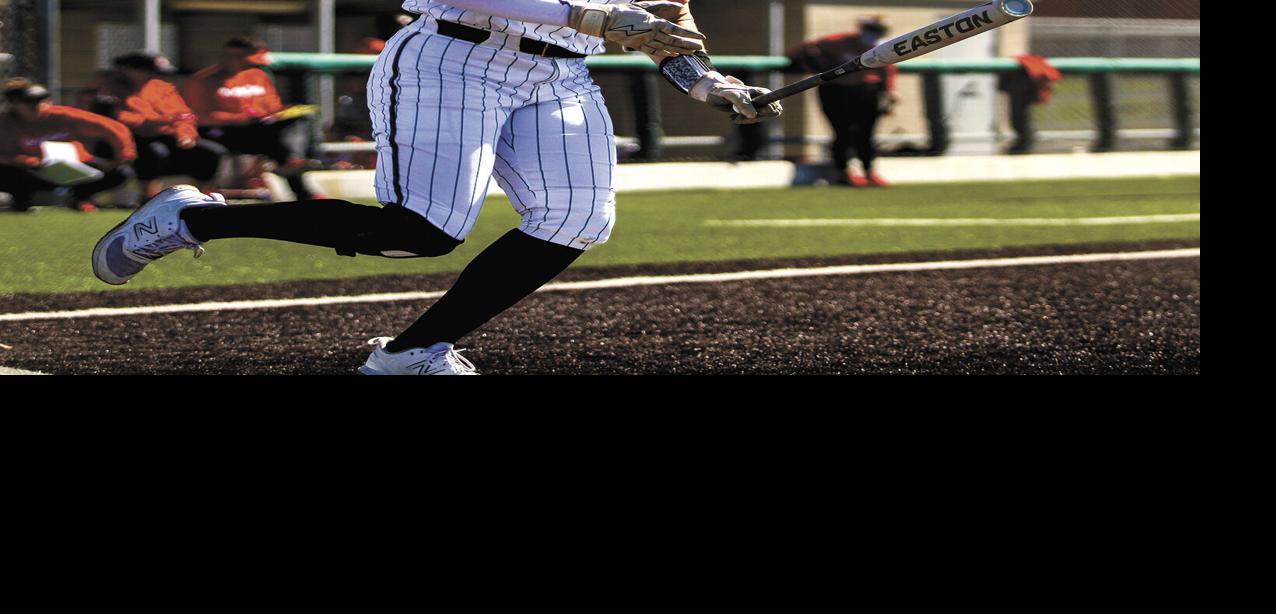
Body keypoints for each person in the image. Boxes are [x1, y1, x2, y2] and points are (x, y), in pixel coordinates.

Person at [92, 0, 782, 375]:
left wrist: (709, 83)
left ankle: (407, 356)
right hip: (455, 57)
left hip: (560, 76)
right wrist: (591, 18)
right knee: (423, 230)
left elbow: (667, 20)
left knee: (576, 218)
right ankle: (195, 220)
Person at [184, 37, 312, 200]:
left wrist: (280, 113)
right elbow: (199, 116)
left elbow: (273, 106)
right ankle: (290, 162)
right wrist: (239, 118)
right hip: (223, 132)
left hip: (257, 129)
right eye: (231, 56)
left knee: (296, 122)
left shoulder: (258, 76)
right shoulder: (205, 79)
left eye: (241, 57)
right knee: (278, 145)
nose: (235, 61)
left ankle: (296, 170)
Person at [790, 16, 899, 187]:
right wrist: (821, 66)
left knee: (866, 134)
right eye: (872, 29)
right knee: (843, 133)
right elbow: (805, 50)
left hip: (866, 92)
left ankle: (869, 170)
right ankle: (843, 171)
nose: (874, 34)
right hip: (837, 92)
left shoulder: (880, 46)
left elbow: (888, 69)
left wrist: (890, 91)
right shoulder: (837, 42)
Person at [1, 79, 136, 212]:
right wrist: (25, 160)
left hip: (73, 169)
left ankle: (79, 198)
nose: (37, 106)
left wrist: (124, 155)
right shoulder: (5, 123)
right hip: (31, 171)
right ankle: (22, 201)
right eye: (29, 102)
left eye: (40, 100)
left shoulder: (61, 115)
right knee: (8, 174)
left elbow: (113, 128)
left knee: (120, 173)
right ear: (15, 104)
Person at [111, 52, 229, 199]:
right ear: (131, 70)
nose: (152, 75)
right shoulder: (114, 90)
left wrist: (186, 134)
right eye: (147, 71)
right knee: (155, 152)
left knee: (212, 152)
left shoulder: (161, 87)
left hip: (167, 135)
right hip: (132, 139)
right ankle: (147, 197)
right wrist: (164, 120)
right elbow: (125, 119)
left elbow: (184, 115)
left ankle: (198, 196)